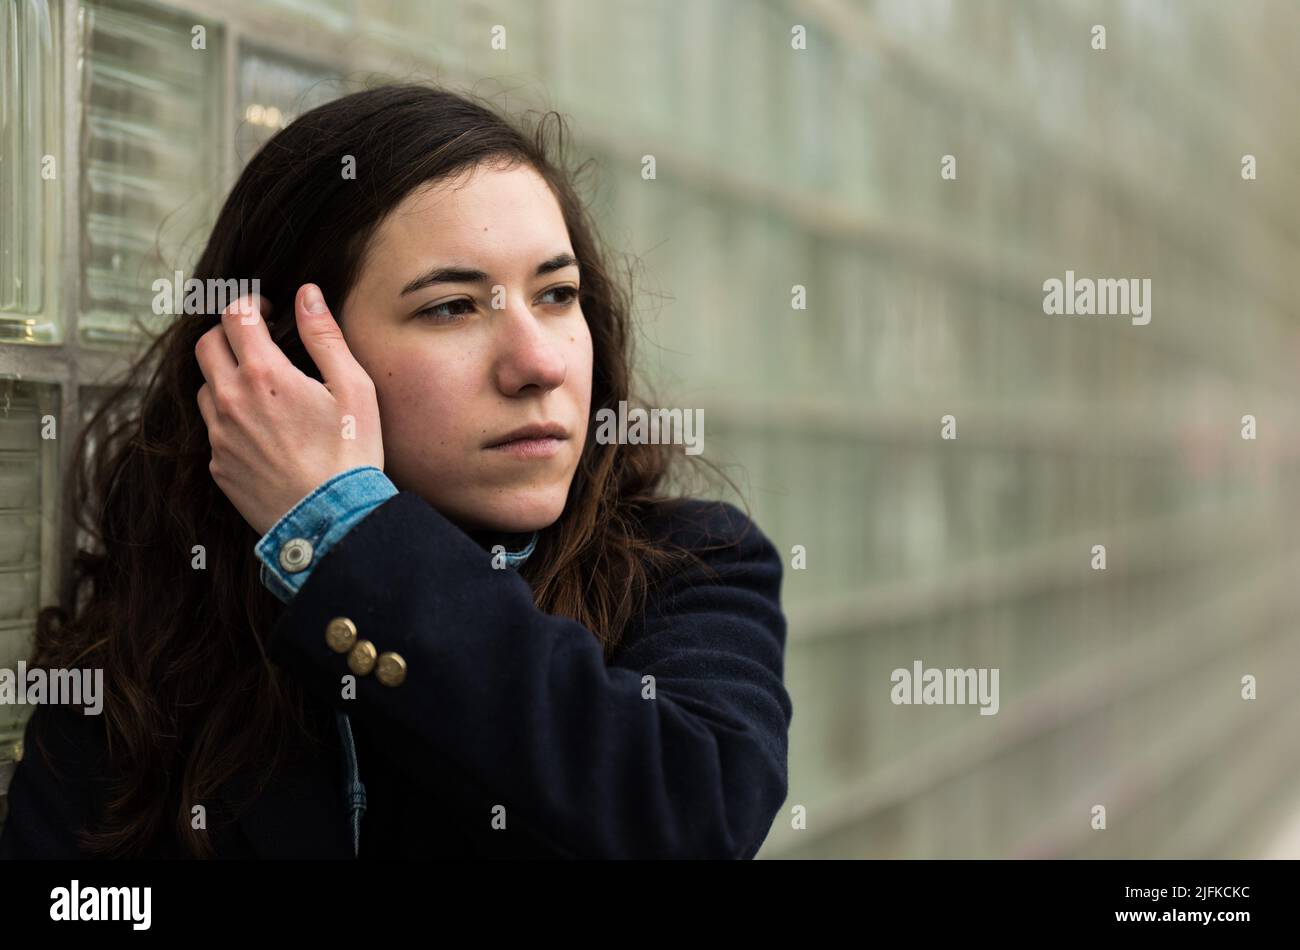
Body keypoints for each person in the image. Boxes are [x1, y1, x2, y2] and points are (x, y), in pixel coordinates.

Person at [0, 84, 792, 859]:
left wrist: (339, 526)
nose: (539, 363)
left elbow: (690, 815)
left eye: (556, 294)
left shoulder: (694, 566)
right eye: (450, 307)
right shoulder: (158, 639)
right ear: (285, 363)